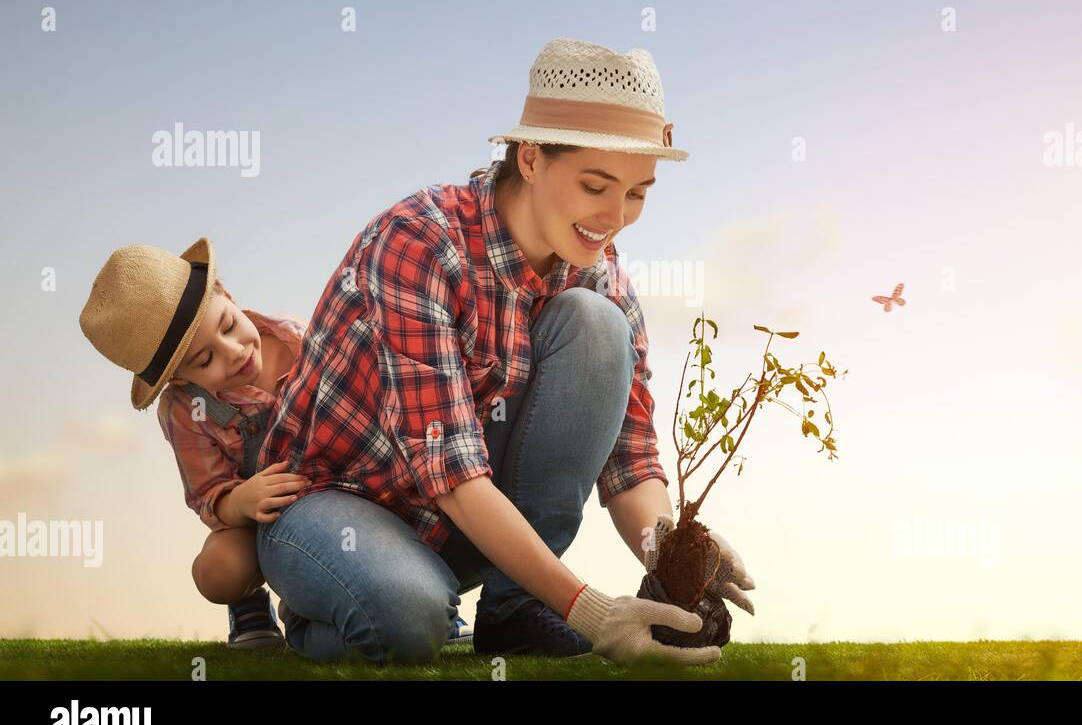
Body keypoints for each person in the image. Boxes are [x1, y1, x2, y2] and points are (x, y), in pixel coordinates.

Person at [256, 37, 755, 666]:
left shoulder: (604, 280)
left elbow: (631, 459)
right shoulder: (419, 242)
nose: (616, 216)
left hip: (456, 530)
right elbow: (452, 473)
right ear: (529, 159)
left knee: (599, 325)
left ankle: (516, 608)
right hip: (329, 505)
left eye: (637, 193)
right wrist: (593, 611)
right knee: (410, 622)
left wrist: (676, 550)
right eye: (595, 185)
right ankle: (320, 610)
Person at [76, 239, 475, 648]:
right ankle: (249, 602)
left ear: (227, 295)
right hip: (263, 515)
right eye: (204, 360)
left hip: (351, 491)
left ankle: (411, 591)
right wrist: (242, 502)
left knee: (395, 509)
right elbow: (208, 496)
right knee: (220, 569)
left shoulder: (300, 338)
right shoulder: (186, 411)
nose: (233, 353)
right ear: (179, 379)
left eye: (228, 326)